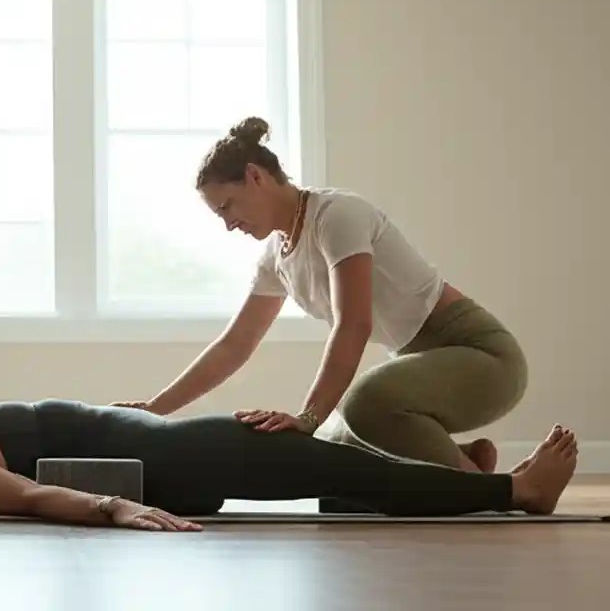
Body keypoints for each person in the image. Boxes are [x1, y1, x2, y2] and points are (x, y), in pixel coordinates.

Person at [113, 116, 528, 473]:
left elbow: (355, 324)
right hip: (423, 368)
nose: (227, 224)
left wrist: (308, 415)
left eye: (227, 207)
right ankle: (460, 457)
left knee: (361, 406)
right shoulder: (276, 255)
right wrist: (155, 409)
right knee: (336, 446)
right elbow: (235, 345)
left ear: (255, 176)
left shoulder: (336, 216)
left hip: (483, 359)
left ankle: (507, 489)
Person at [0, 398, 579, 532]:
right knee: (350, 472)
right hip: (189, 453)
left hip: (180, 443)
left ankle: (472, 477)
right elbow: (25, 496)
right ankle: (516, 490)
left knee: (343, 475)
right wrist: (110, 509)